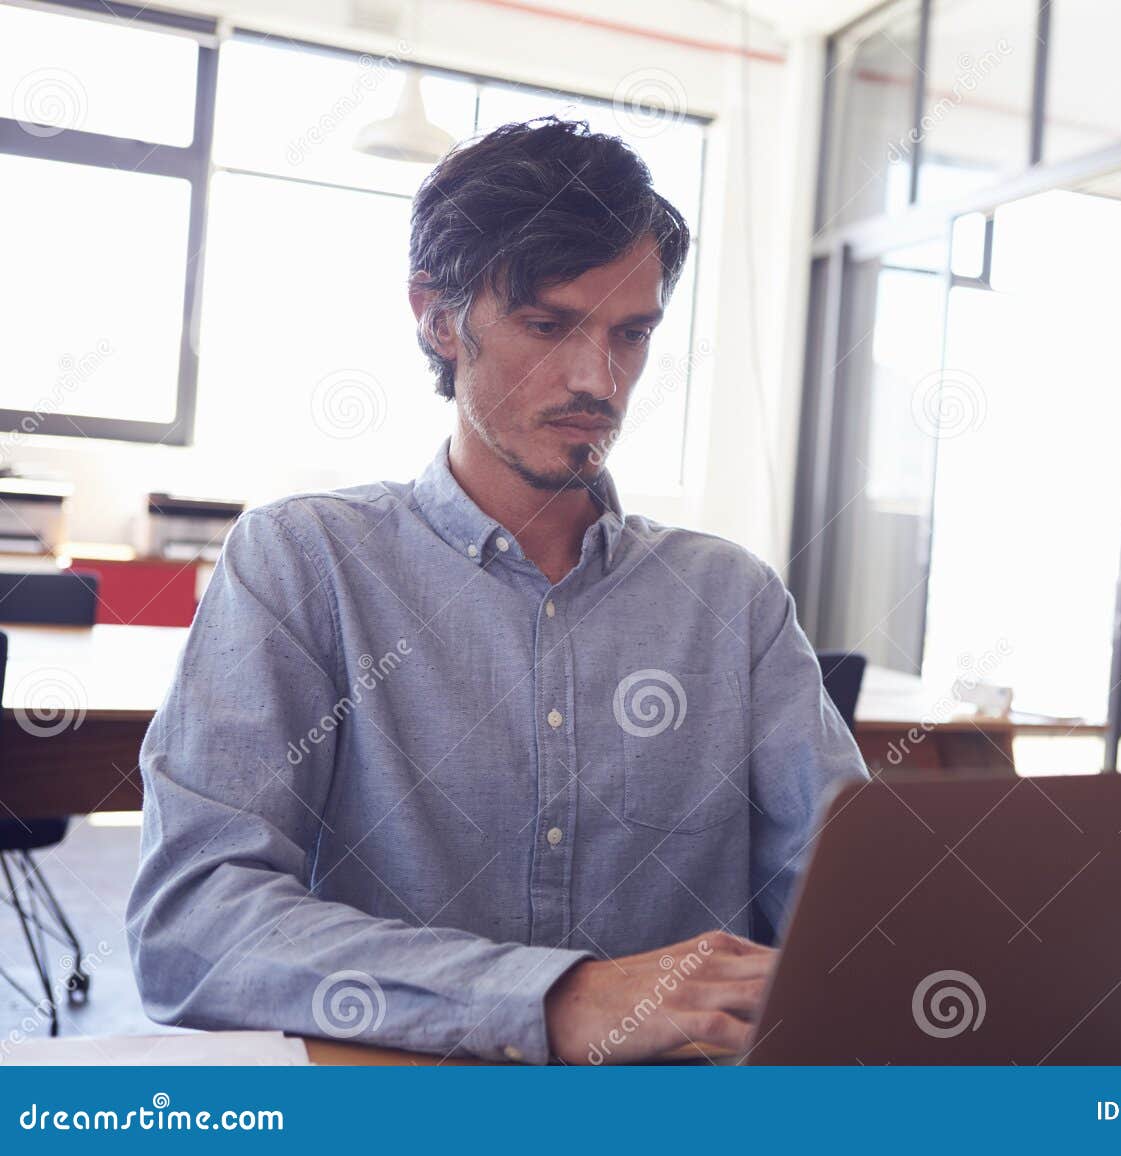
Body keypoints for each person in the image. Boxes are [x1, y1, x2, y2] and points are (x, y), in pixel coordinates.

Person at [127, 119, 867, 1064]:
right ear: (439, 317)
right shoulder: (304, 560)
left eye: (631, 333)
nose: (598, 379)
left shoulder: (733, 600)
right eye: (549, 324)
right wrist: (555, 1001)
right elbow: (192, 923)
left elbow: (853, 912)